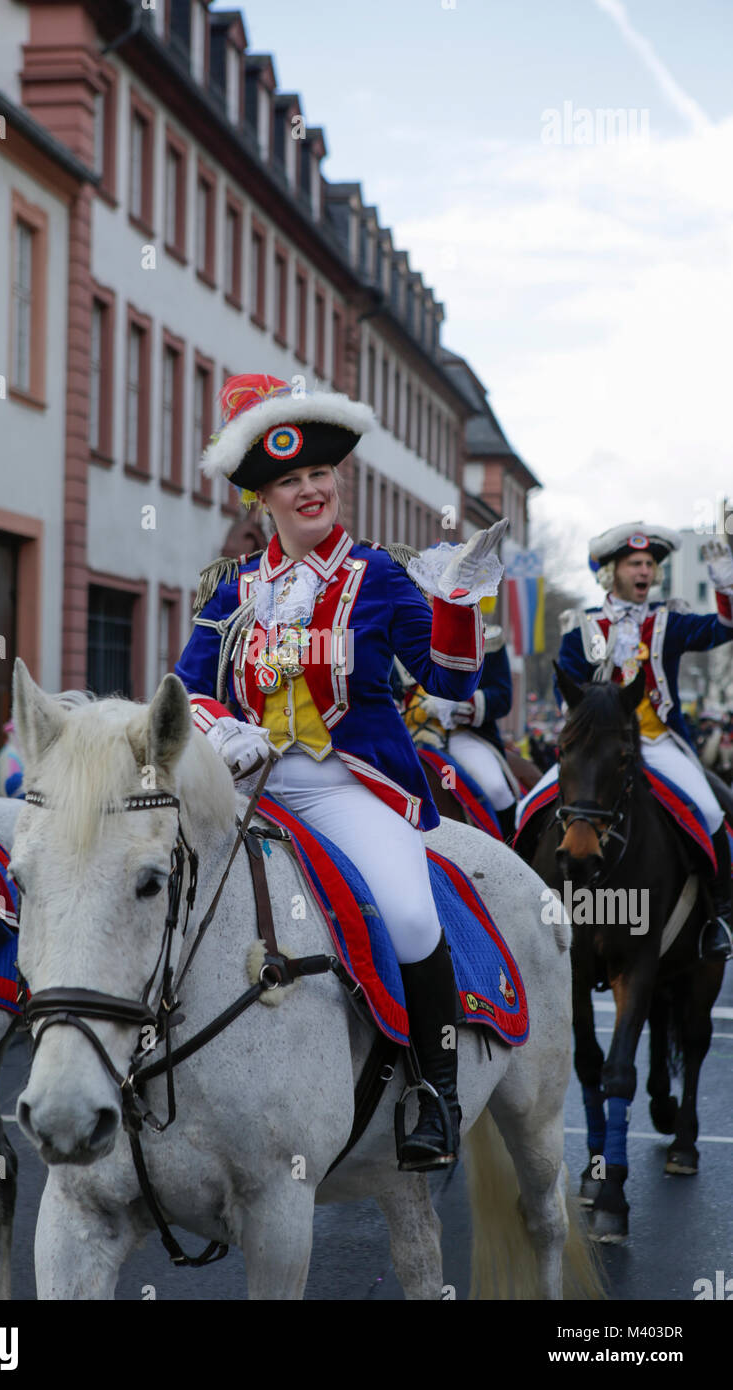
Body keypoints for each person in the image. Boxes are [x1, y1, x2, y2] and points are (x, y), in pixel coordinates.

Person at [175, 373, 507, 1170]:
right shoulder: (233, 592)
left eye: (321, 474)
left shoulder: (380, 577)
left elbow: (453, 681)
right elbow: (186, 688)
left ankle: (434, 1089)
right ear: (264, 501)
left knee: (410, 912)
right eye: (291, 480)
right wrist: (220, 731)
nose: (312, 489)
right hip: (248, 789)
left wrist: (459, 603)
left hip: (346, 787)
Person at [525, 522, 733, 960]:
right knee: (529, 810)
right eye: (635, 563)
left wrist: (726, 586)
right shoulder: (582, 627)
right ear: (611, 572)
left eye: (650, 564)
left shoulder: (666, 622)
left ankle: (718, 918)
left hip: (657, 741)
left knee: (713, 811)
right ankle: (524, 908)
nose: (645, 570)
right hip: (599, 746)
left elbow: (721, 628)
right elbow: (568, 686)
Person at [402, 598, 520, 840]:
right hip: (405, 736)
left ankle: (512, 851)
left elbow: (501, 697)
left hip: (461, 735)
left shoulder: (488, 637)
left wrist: (460, 704)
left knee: (496, 788)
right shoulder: (397, 631)